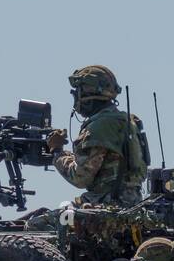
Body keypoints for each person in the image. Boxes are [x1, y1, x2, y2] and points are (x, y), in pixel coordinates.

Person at [46, 65, 148, 208]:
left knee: (34, 224)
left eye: (78, 93)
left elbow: (80, 178)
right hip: (132, 203)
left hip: (106, 205)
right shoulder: (126, 121)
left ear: (87, 95)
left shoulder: (99, 126)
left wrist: (57, 152)